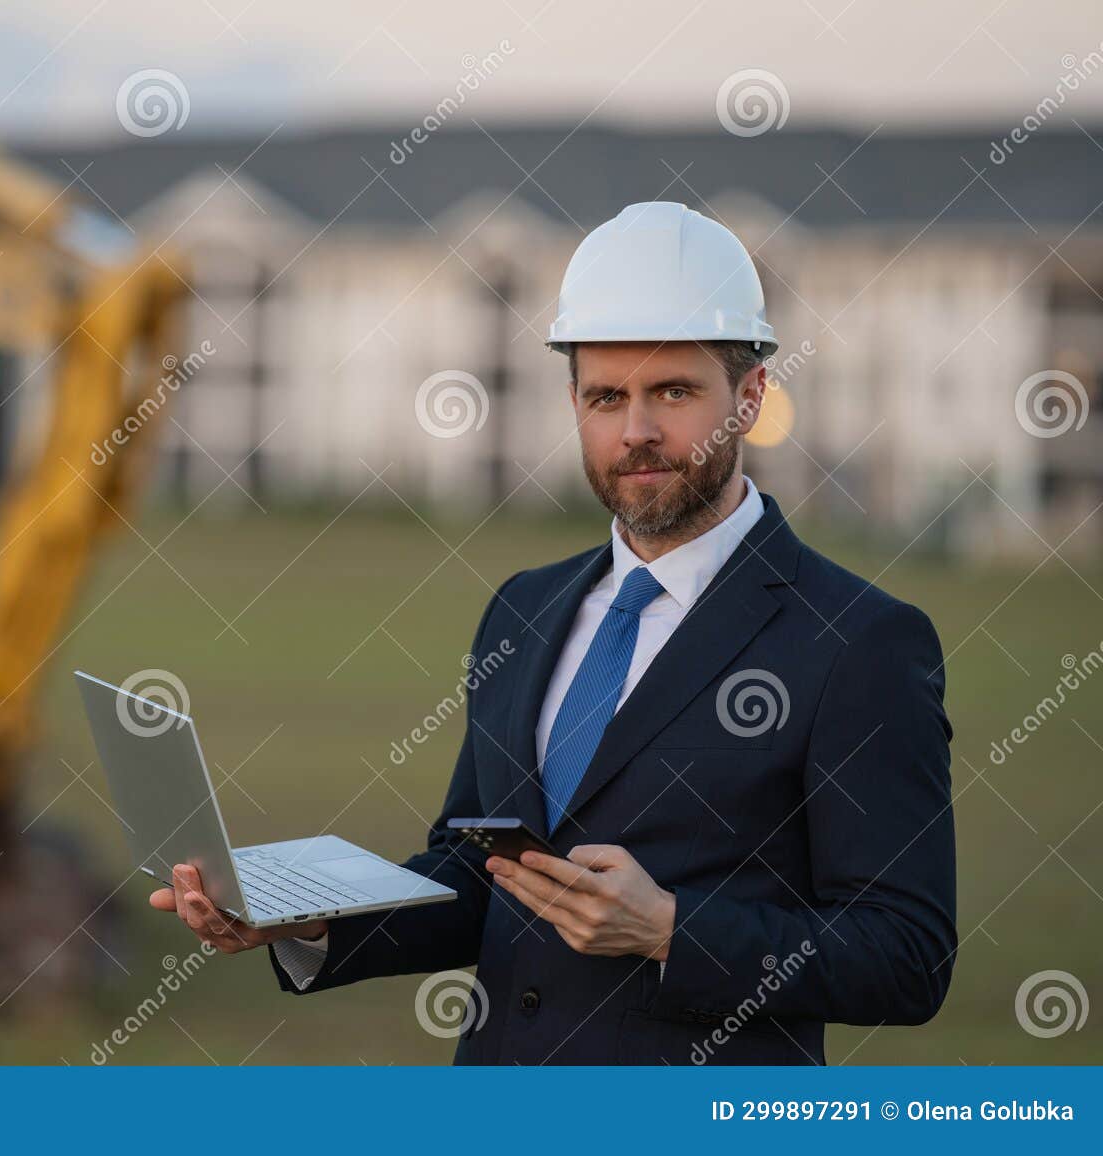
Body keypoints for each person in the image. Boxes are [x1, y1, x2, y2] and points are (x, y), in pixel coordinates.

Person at [150, 202, 957, 1064]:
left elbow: (908, 955)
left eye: (673, 392)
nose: (637, 430)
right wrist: (307, 917)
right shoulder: (524, 610)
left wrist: (672, 932)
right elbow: (478, 876)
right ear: (574, 401)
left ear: (750, 396)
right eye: (607, 397)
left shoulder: (858, 641)